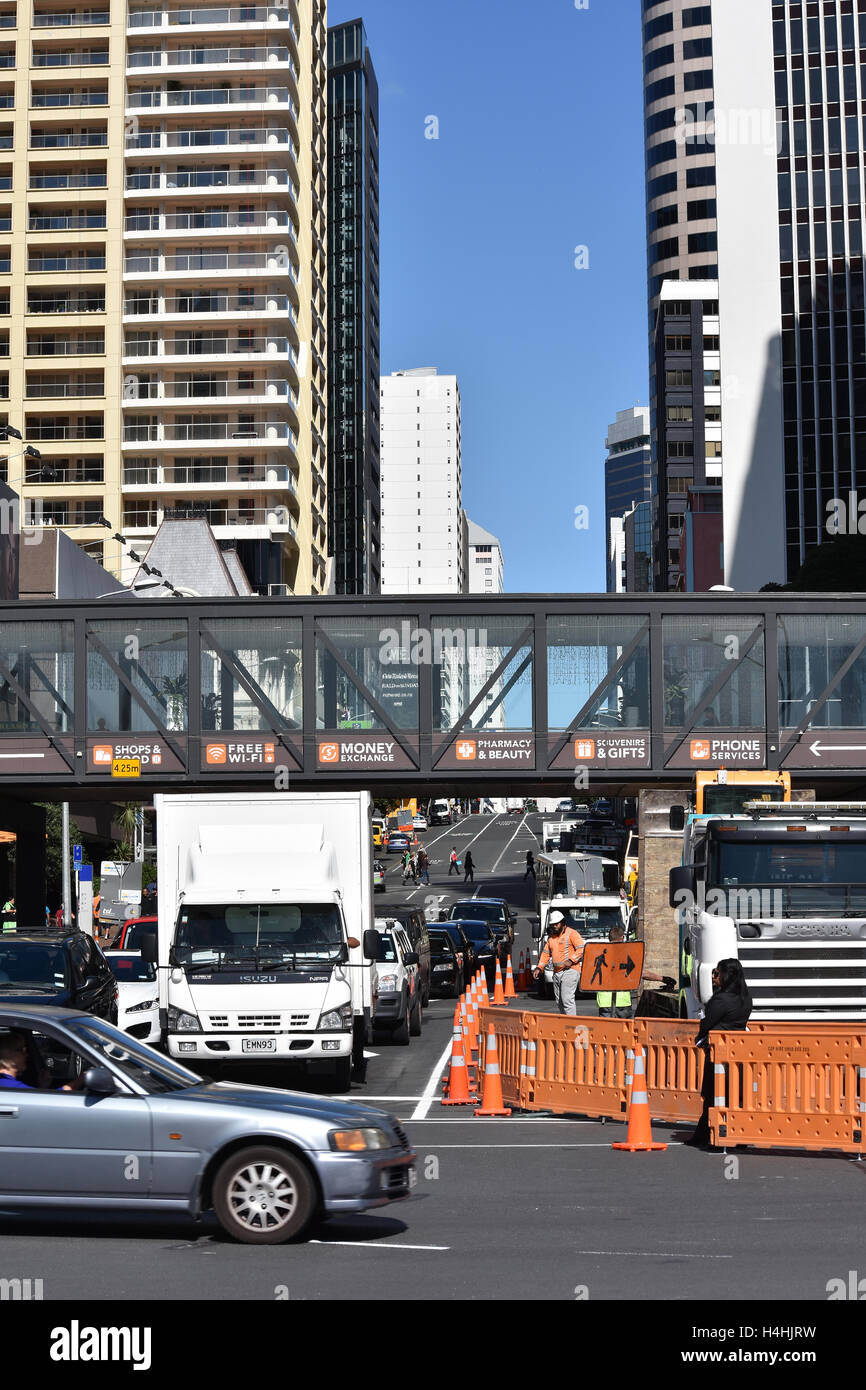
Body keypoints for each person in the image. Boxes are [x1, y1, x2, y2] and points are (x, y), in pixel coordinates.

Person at [685, 957, 752, 1150]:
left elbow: (707, 1022)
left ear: (726, 975)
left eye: (717, 973)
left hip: (719, 1051)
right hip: (739, 1051)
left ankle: (710, 1135)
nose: (714, 977)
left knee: (713, 1094)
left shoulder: (721, 999)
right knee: (735, 1095)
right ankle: (738, 1134)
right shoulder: (746, 997)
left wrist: (702, 1035)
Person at [533, 909, 585, 1015]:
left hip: (570, 970)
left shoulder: (572, 933)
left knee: (567, 1000)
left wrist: (571, 960)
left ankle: (571, 1025)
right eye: (553, 924)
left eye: (556, 924)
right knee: (560, 1002)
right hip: (556, 973)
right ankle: (565, 1024)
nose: (554, 926)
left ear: (562, 923)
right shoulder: (551, 938)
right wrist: (539, 968)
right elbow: (545, 954)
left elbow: (581, 949)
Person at [0, 1031, 85, 1092]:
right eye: (21, 1050)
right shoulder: (8, 1085)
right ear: (7, 1055)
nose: (26, 1055)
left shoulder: (6, 1083)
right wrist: (80, 1079)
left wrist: (43, 1086)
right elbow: (52, 1100)